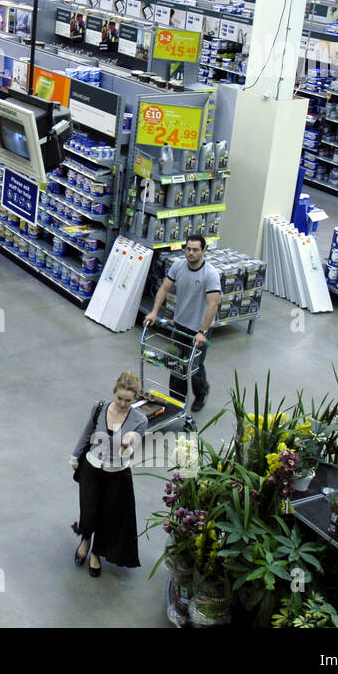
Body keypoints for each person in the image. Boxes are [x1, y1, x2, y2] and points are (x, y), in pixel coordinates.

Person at [70, 371, 148, 577]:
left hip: (117, 474)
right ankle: (85, 539)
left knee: (107, 516)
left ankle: (96, 552)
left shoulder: (140, 420)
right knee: (88, 511)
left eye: (128, 401)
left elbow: (130, 456)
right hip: (92, 468)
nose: (122, 403)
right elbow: (87, 433)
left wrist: (129, 443)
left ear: (135, 399)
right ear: (114, 392)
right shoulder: (99, 408)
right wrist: (75, 457)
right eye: (119, 398)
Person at [144, 235, 221, 413]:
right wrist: (154, 312)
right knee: (174, 363)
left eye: (195, 250)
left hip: (200, 328)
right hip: (179, 324)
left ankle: (202, 392)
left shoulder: (210, 274)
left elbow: (213, 304)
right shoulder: (178, 266)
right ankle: (178, 403)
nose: (191, 253)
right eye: (188, 249)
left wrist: (203, 331)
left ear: (203, 251)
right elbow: (164, 288)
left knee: (194, 367)